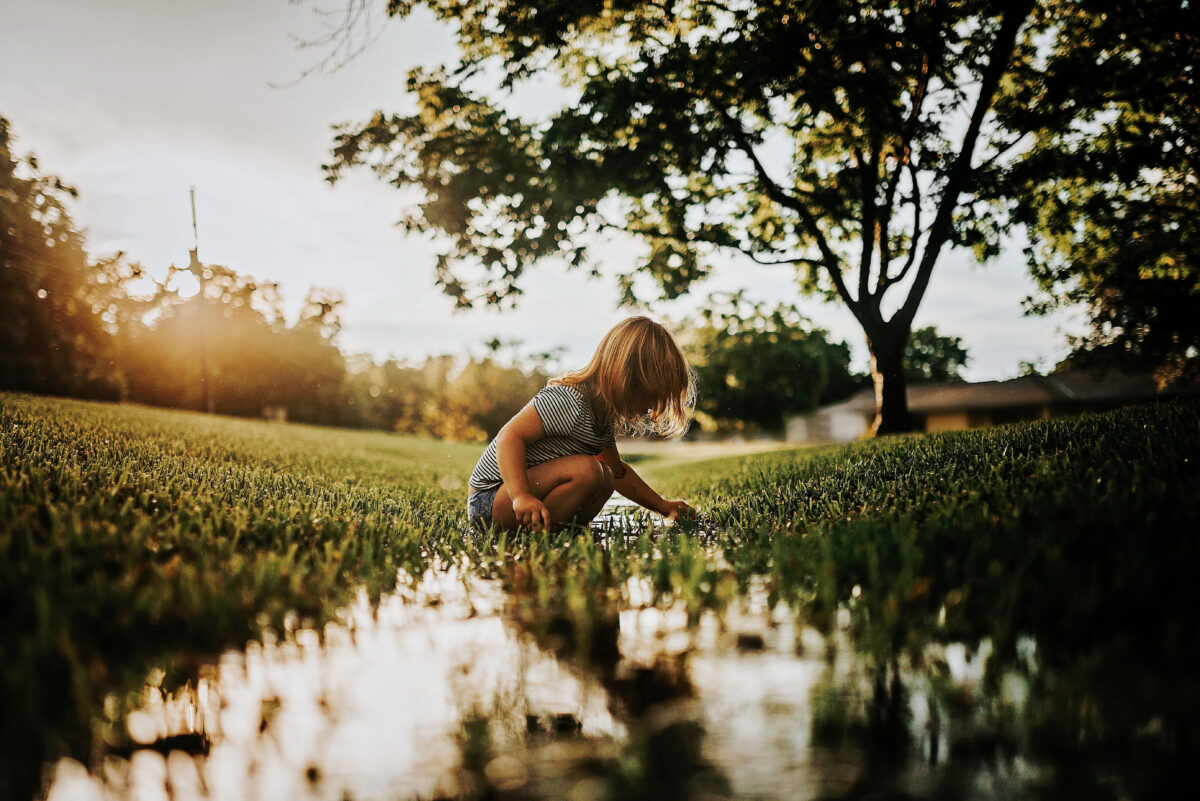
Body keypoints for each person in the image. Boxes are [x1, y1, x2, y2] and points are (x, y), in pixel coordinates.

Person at [467, 316, 698, 531]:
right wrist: (521, 496)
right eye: (650, 396)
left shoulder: (600, 418)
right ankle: (541, 532)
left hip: (519, 498)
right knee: (588, 470)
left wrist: (663, 505)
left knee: (606, 476)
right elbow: (510, 436)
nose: (649, 407)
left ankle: (565, 530)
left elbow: (618, 473)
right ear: (627, 378)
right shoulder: (569, 400)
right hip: (490, 500)